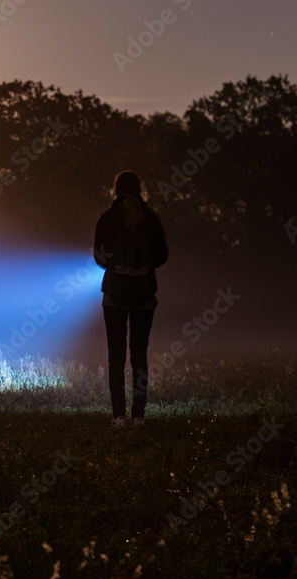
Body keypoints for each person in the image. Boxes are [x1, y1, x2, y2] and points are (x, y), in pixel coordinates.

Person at [93, 171, 168, 427]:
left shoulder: (107, 219)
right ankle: (139, 416)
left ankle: (118, 416)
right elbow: (162, 255)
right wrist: (141, 266)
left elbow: (99, 257)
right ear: (139, 189)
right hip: (144, 295)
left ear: (115, 190)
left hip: (114, 296)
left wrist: (117, 265)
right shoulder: (151, 219)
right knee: (139, 356)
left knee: (116, 356)